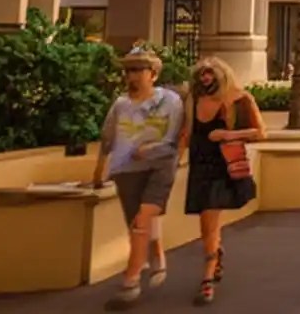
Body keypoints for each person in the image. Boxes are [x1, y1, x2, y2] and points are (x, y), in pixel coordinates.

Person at [92, 48, 184, 310]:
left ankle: (130, 283)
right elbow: (108, 137)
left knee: (143, 218)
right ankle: (156, 253)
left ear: (153, 74)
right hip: (126, 169)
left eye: (138, 70)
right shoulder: (120, 104)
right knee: (138, 223)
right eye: (128, 70)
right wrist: (98, 170)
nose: (132, 76)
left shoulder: (170, 101)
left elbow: (173, 137)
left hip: (160, 166)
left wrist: (152, 149)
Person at [183, 57, 264, 306]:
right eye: (202, 75)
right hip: (199, 166)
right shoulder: (192, 101)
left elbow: (260, 133)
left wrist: (227, 134)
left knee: (209, 219)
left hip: (222, 167)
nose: (206, 79)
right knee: (205, 224)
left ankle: (206, 279)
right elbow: (186, 135)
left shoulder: (239, 99)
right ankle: (215, 252)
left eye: (210, 74)